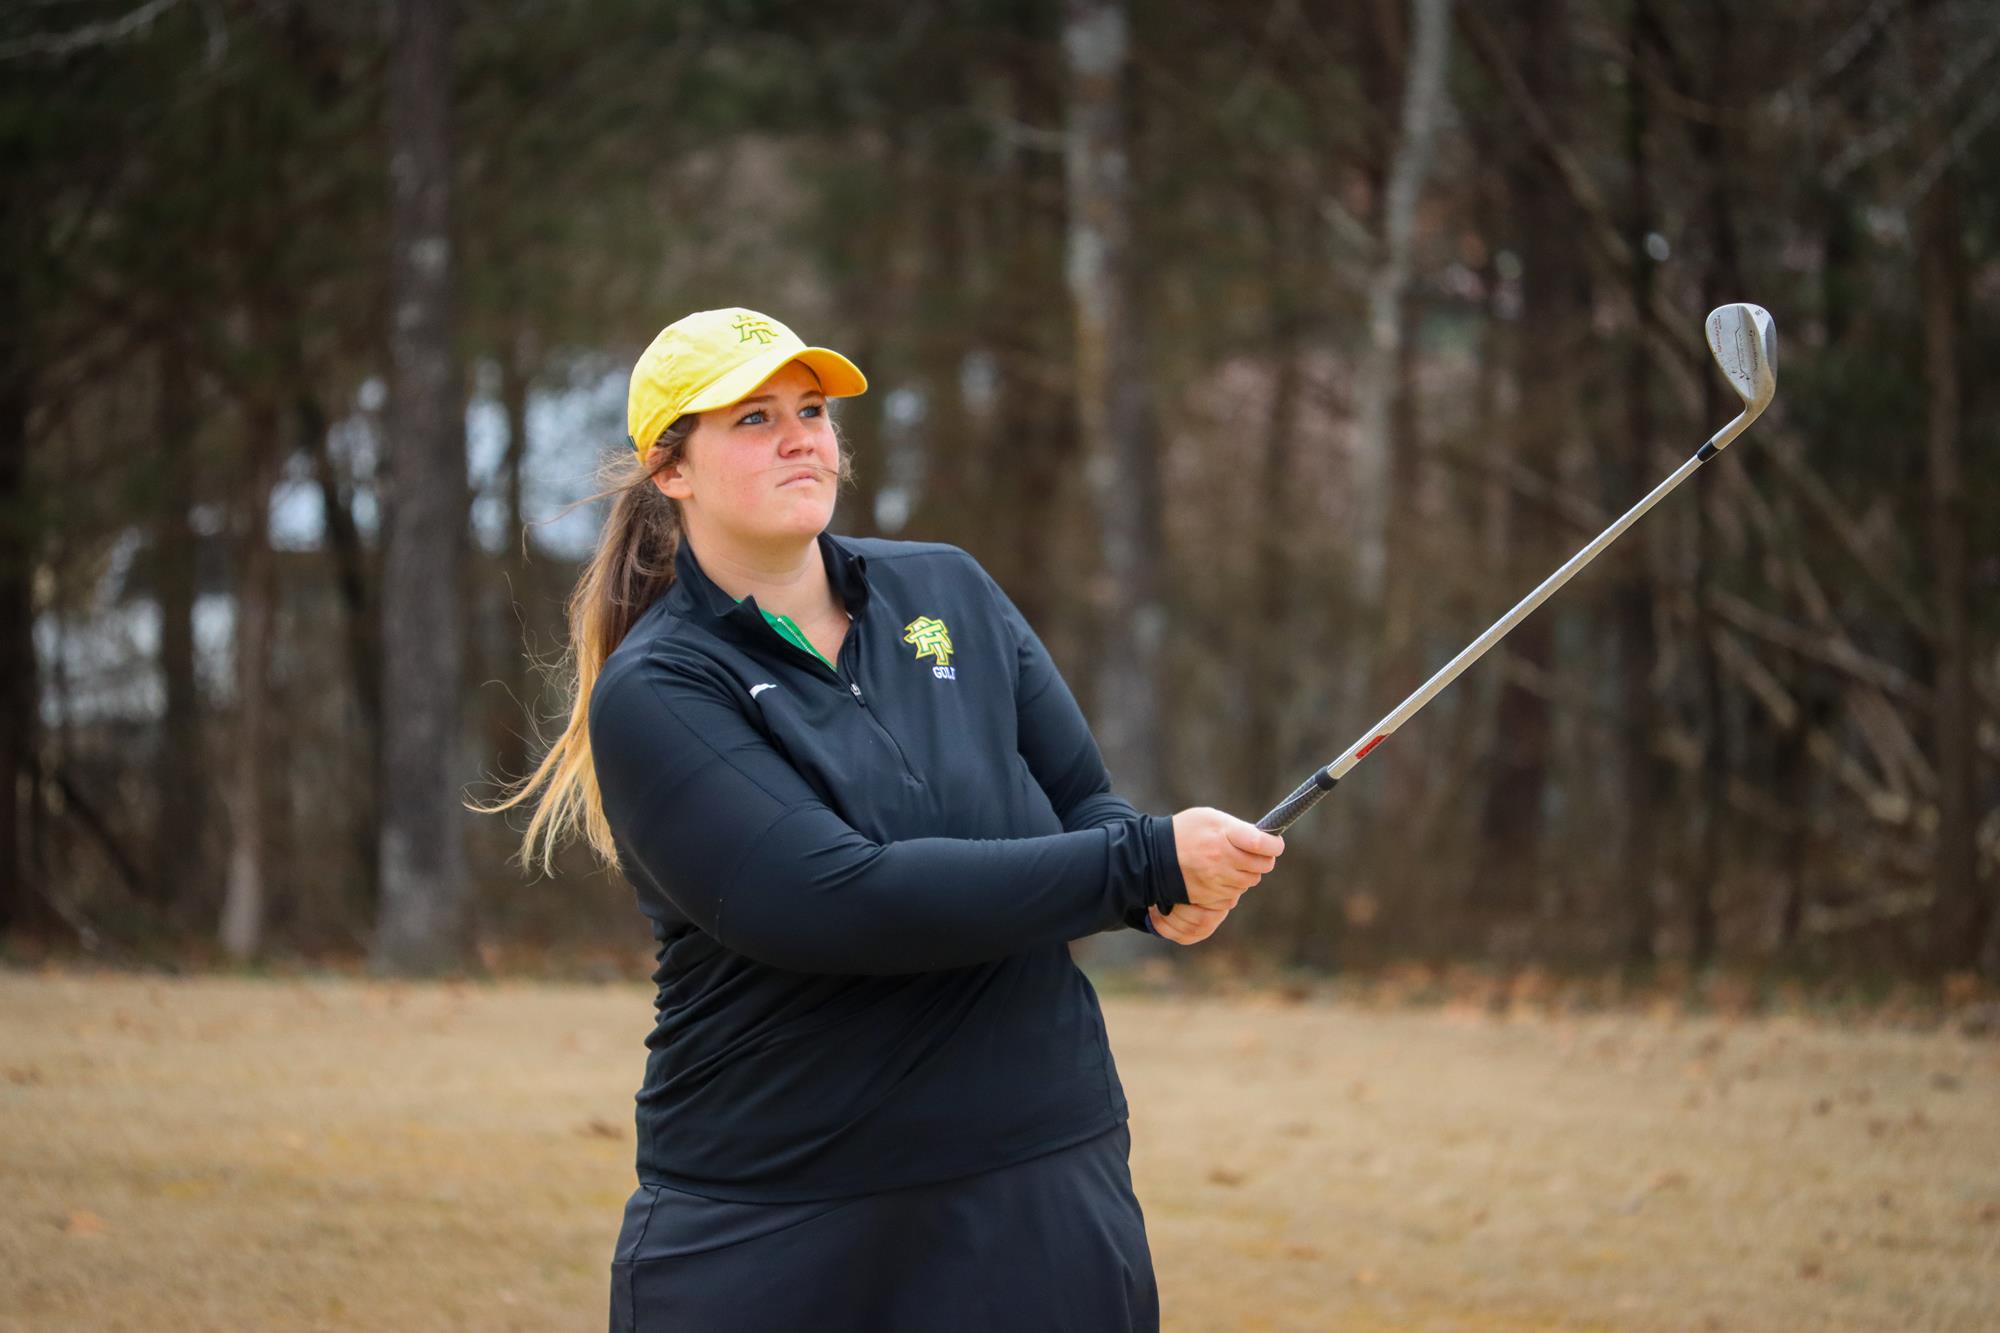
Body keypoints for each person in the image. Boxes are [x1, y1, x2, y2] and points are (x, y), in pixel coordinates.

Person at [486, 306, 1285, 1332]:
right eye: (753, 418)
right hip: (783, 1203)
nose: (799, 438)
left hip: (1038, 1164)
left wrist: (1161, 889)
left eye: (812, 411)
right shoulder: (660, 686)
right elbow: (835, 901)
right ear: (669, 469)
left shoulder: (947, 587)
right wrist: (1138, 865)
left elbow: (1083, 804)